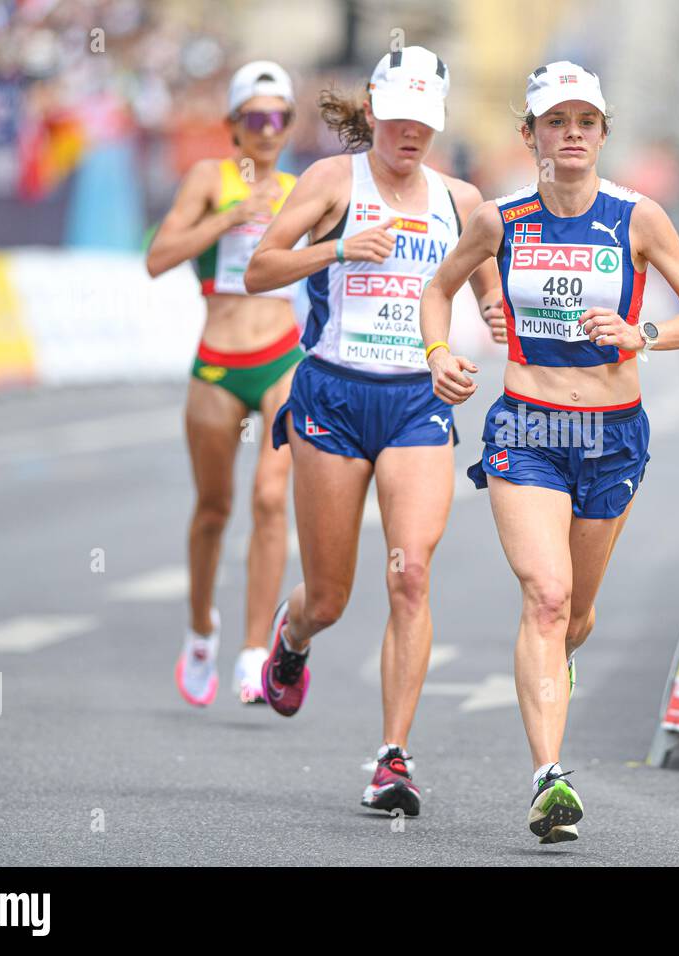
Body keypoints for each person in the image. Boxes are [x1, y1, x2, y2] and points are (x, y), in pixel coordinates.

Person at [416, 62, 679, 844]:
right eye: (557, 121)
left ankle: (561, 658)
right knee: (545, 596)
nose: (573, 133)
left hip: (613, 434)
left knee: (576, 613)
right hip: (527, 428)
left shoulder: (638, 217)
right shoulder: (499, 218)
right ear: (531, 135)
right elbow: (437, 289)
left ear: (603, 133)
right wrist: (437, 353)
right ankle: (549, 779)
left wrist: (641, 333)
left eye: (586, 120)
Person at [242, 46, 504, 817]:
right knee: (329, 597)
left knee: (410, 574)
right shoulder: (333, 181)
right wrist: (337, 247)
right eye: (398, 119)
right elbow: (259, 269)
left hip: (416, 404)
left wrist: (488, 320)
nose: (410, 134)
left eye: (425, 122)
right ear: (374, 112)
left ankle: (393, 758)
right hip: (333, 397)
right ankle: (293, 638)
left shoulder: (460, 197)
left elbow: (484, 285)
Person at [145, 61, 303, 708]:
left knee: (271, 499)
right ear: (234, 124)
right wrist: (235, 215)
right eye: (256, 118)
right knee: (214, 509)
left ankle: (252, 652)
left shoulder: (304, 187)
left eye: (280, 118)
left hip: (282, 354)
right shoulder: (209, 178)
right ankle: (201, 627)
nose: (269, 130)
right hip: (217, 358)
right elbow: (159, 257)